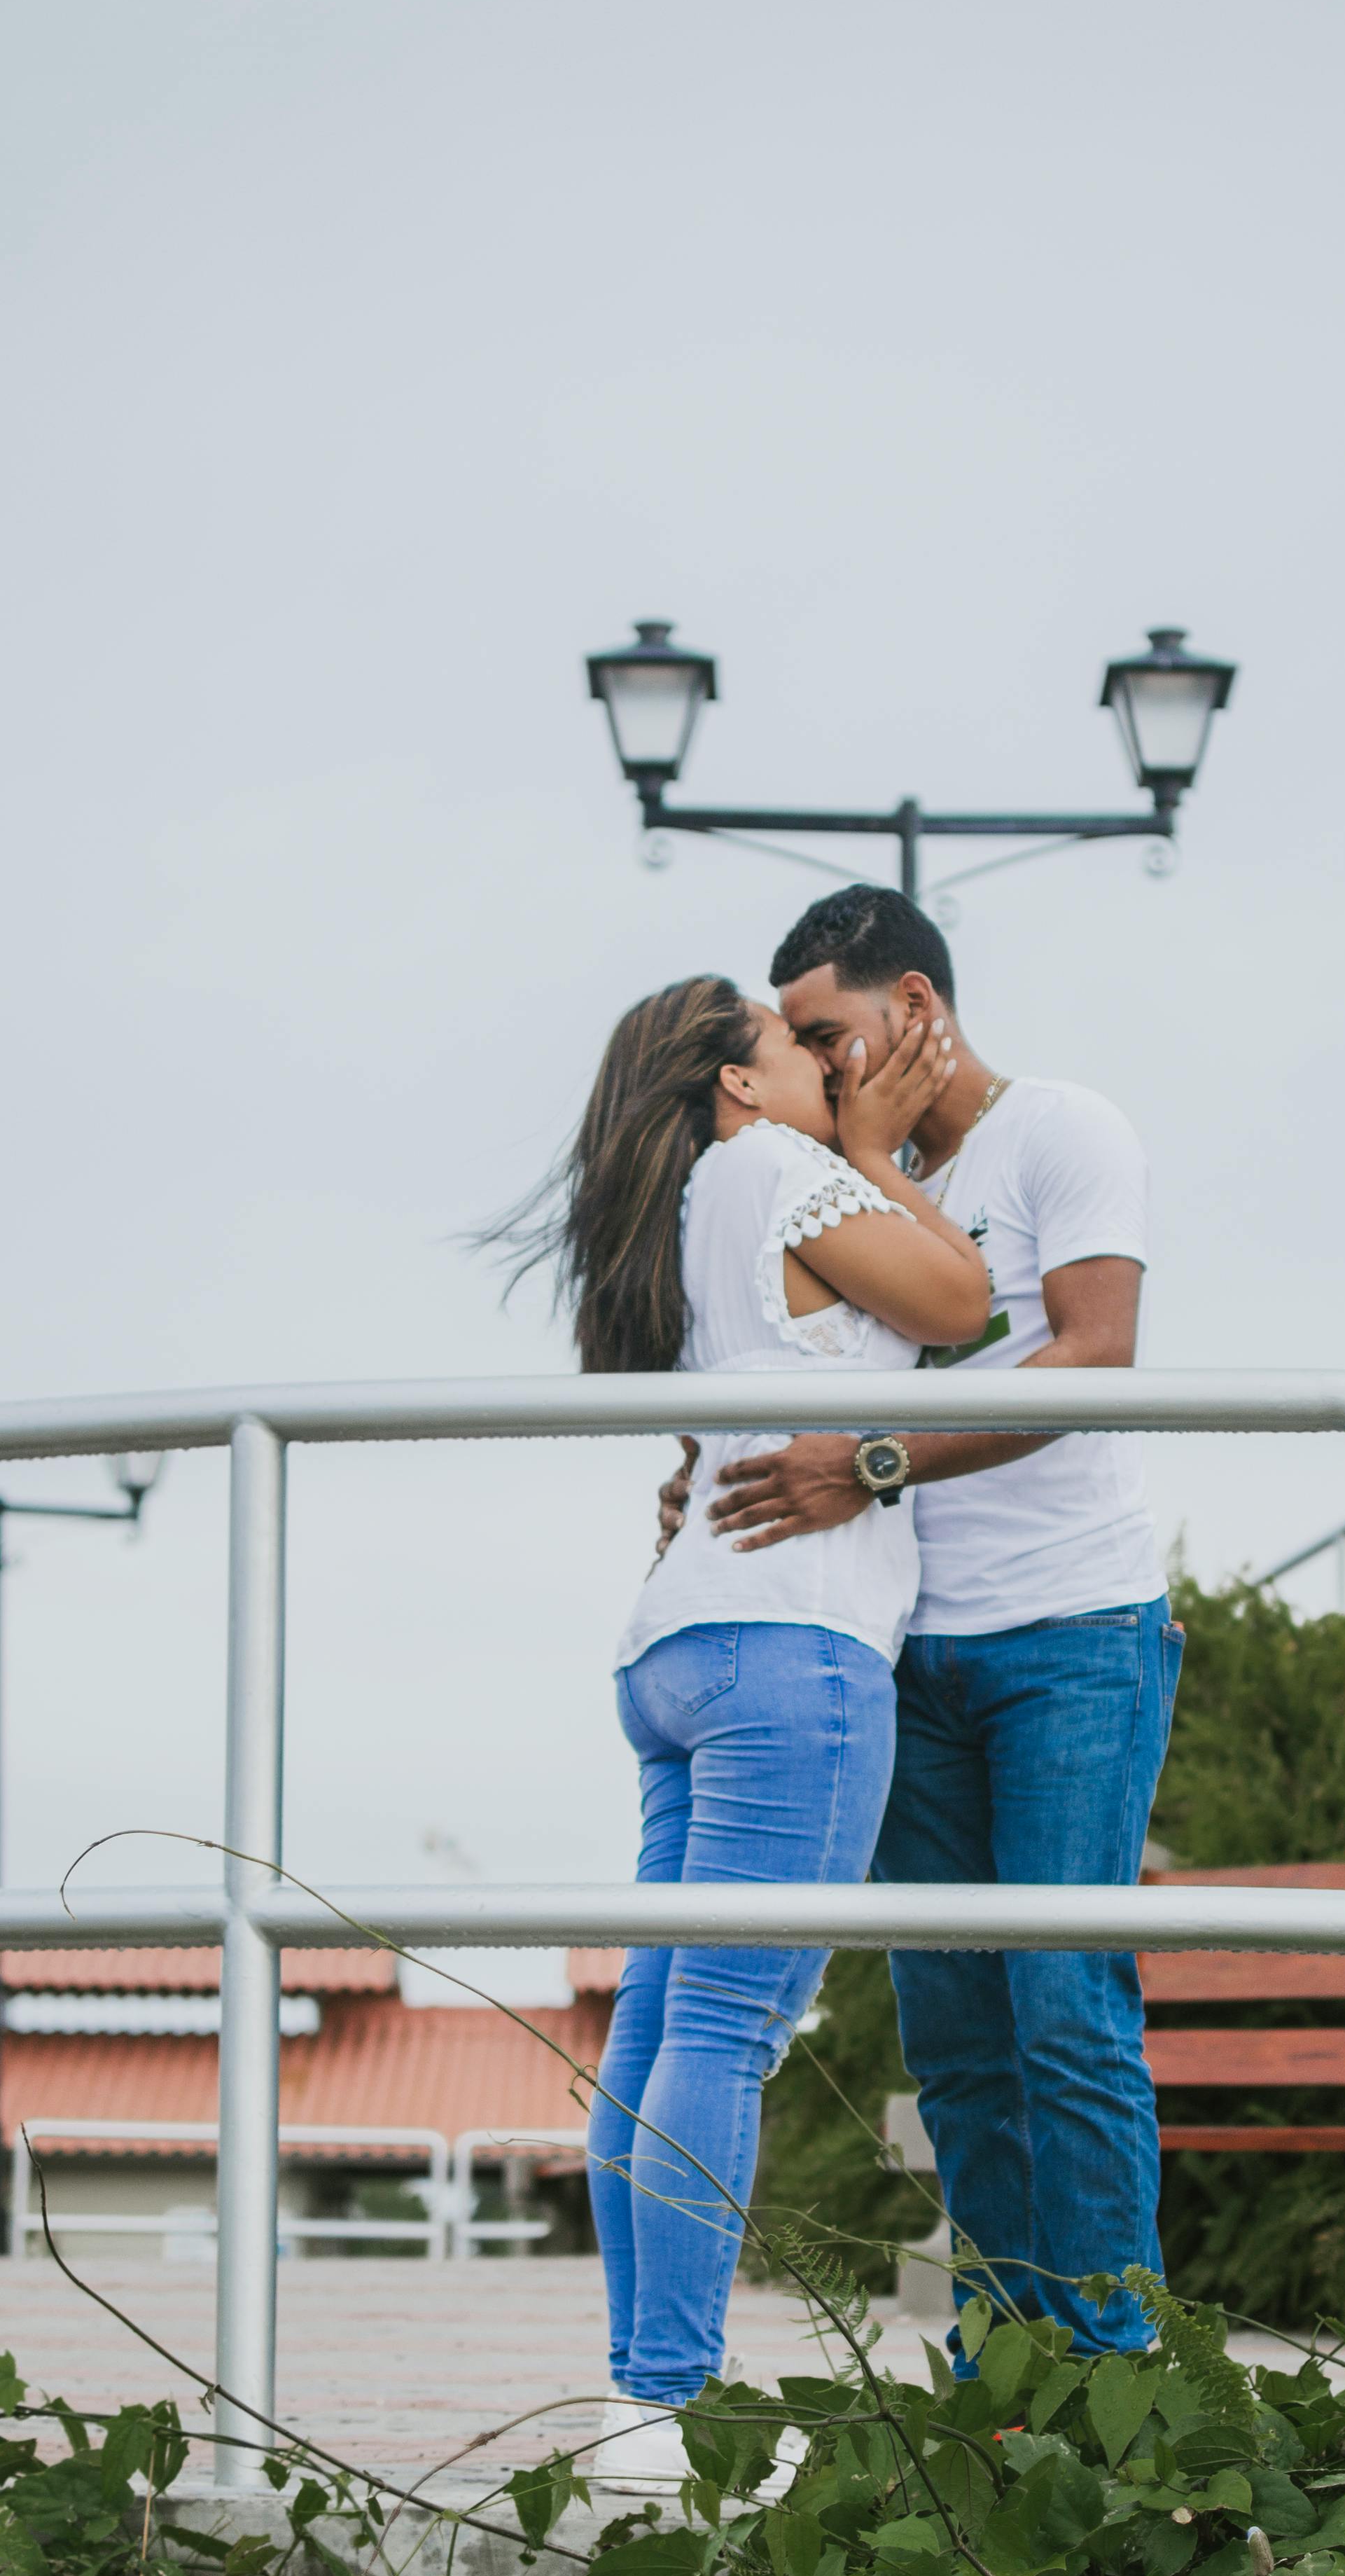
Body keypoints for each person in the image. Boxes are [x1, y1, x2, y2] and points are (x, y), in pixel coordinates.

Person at [487, 973, 988, 2492]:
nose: (825, 1066)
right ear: (739, 1087)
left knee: (659, 2022)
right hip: (797, 1645)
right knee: (725, 2029)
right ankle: (670, 2402)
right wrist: (889, 1157)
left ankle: (643, 2391)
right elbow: (966, 1309)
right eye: (791, 1048)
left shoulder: (689, 1209)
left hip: (681, 1647)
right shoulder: (775, 1170)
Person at [670, 887, 1179, 2362]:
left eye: (829, 1031)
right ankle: (1001, 2371)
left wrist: (877, 1458)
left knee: (1065, 2009)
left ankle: (1118, 2375)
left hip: (1072, 1628)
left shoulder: (1063, 1131)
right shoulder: (827, 1172)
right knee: (954, 2034)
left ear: (913, 1002)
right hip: (901, 1647)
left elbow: (1093, 1353)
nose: (819, 1065)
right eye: (802, 1045)